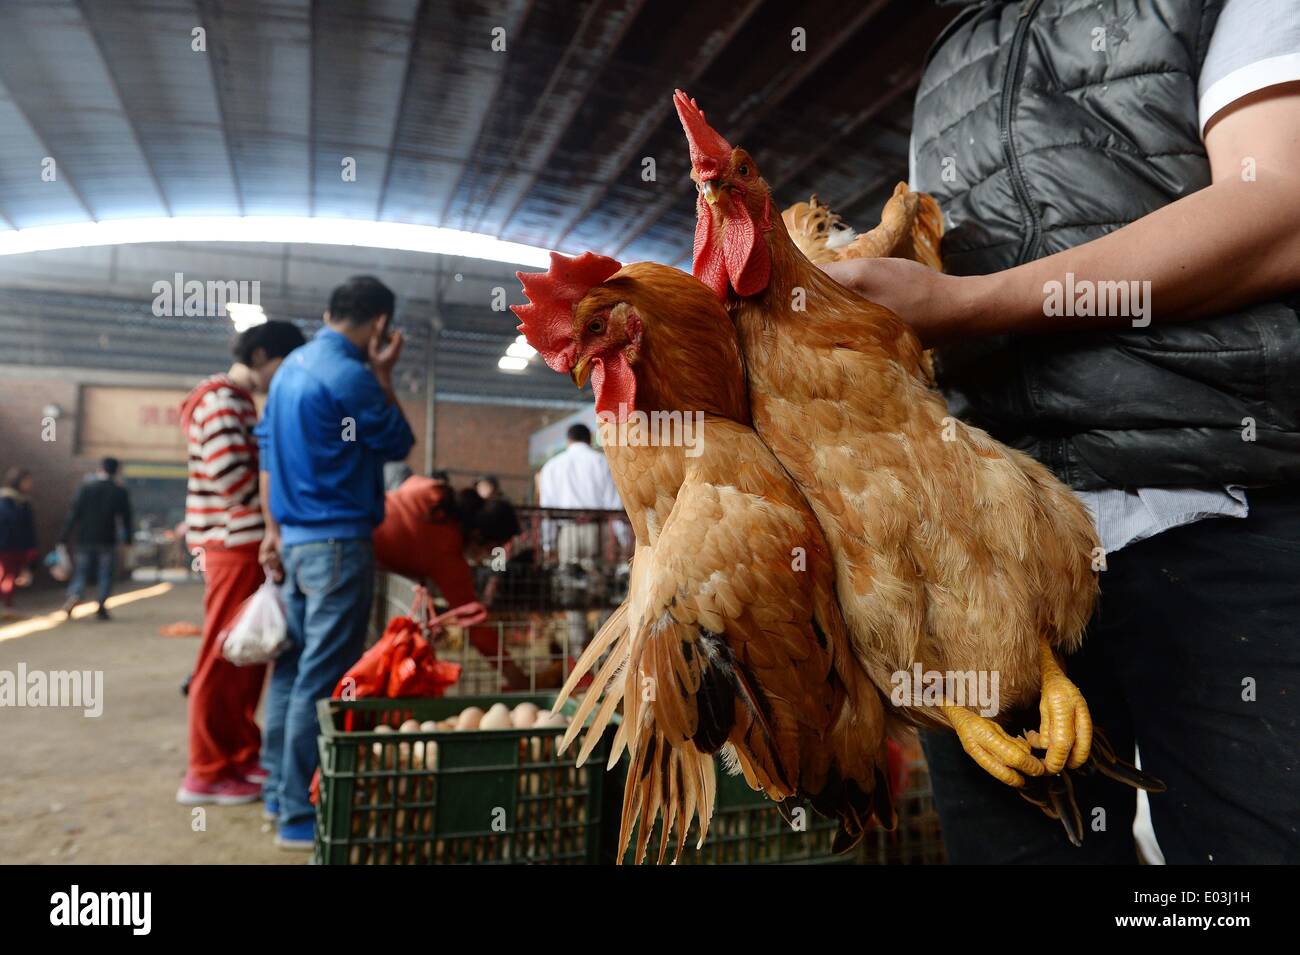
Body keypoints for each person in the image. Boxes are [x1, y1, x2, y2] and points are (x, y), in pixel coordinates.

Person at [823, 0, 1300, 864]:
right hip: (993, 554)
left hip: (1222, 510)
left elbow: (1281, 210)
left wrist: (964, 306)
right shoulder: (954, 50)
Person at [256, 275, 415, 850]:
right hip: (338, 542)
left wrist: (272, 530)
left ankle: (277, 791)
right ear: (379, 324)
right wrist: (385, 373)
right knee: (321, 679)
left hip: (295, 541)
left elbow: (268, 453)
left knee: (291, 669)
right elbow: (399, 442)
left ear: (328, 312)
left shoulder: (287, 371)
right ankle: (299, 813)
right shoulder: (352, 375)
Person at [175, 320, 305, 807]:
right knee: (222, 656)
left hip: (240, 543)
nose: (285, 376)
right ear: (261, 354)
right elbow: (233, 478)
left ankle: (236, 754)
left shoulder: (232, 401)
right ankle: (207, 770)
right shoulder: (223, 400)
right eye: (283, 365)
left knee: (244, 656)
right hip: (233, 543)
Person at [373, 473, 528, 689]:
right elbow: (474, 624)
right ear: (478, 535)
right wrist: (517, 677)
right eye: (491, 549)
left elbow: (410, 526)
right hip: (349, 547)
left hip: (331, 524)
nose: (487, 556)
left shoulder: (434, 490)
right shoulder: (447, 551)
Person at [58, 457, 133, 620]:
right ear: (116, 471)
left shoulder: (86, 488)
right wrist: (128, 540)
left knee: (81, 571)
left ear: (101, 469)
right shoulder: (119, 491)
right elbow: (126, 517)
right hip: (107, 538)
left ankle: (75, 594)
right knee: (105, 573)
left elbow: (74, 513)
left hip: (85, 538)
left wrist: (64, 536)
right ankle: (101, 605)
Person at [0, 467, 37, 617]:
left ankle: (7, 605)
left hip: (17, 547)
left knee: (11, 577)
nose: (30, 484)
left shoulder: (23, 502)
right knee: (6, 576)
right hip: (6, 545)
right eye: (27, 481)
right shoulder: (6, 501)